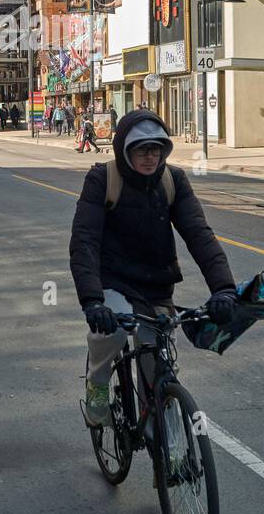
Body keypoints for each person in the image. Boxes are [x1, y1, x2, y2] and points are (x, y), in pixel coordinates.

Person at [69, 109, 239, 428]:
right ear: (125, 150)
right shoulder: (102, 179)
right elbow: (84, 242)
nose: (149, 157)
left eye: (156, 149)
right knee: (113, 330)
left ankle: (166, 444)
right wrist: (92, 301)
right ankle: (97, 383)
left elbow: (199, 234)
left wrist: (224, 290)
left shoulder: (172, 180)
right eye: (141, 149)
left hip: (156, 286)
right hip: (113, 281)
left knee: (157, 366)